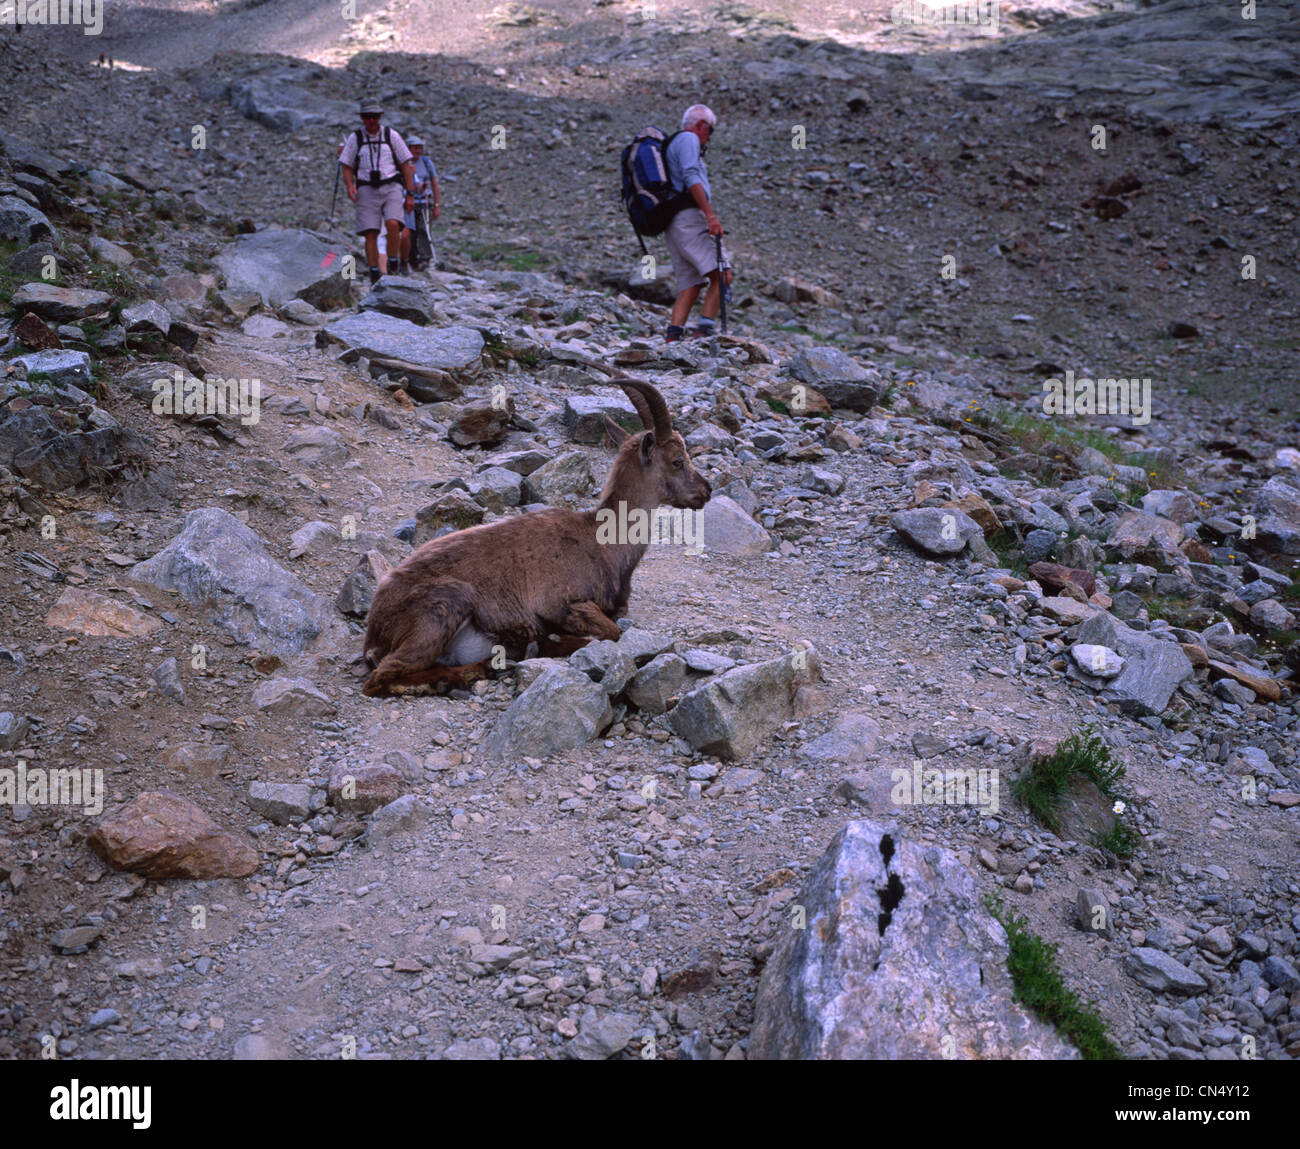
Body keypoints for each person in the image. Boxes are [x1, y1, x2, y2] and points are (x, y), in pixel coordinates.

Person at [663, 104, 733, 342]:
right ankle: (704, 333)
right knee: (723, 274)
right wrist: (711, 217)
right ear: (702, 125)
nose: (708, 139)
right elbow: (691, 177)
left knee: (691, 283)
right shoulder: (689, 140)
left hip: (673, 222)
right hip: (690, 217)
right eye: (710, 131)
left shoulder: (674, 143)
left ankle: (673, 337)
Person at [339, 99, 417, 284]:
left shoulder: (392, 136)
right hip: (366, 187)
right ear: (362, 118)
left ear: (380, 117)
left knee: (393, 223)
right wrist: (350, 185)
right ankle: (374, 272)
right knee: (370, 232)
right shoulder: (355, 138)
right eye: (367, 117)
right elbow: (346, 164)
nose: (371, 120)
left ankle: (393, 262)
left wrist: (411, 194)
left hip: (392, 185)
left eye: (374, 117)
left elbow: (406, 165)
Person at [400, 136, 440, 273]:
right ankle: (411, 258)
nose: (419, 150)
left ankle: (424, 258)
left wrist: (436, 205)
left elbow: (434, 183)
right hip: (408, 202)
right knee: (410, 232)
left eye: (420, 148)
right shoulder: (403, 164)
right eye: (415, 148)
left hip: (424, 202)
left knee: (424, 229)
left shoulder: (427, 163)